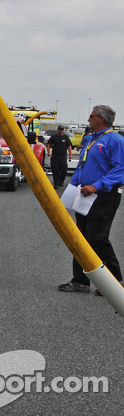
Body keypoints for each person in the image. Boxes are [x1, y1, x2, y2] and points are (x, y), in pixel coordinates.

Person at [58, 105, 124, 295]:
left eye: (91, 116)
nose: (88, 119)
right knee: (81, 239)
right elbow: (81, 169)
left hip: (104, 196)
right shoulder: (91, 140)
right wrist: (70, 191)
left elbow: (119, 171)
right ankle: (80, 281)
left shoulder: (116, 141)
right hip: (85, 195)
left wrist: (96, 185)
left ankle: (115, 282)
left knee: (97, 238)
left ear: (101, 119)